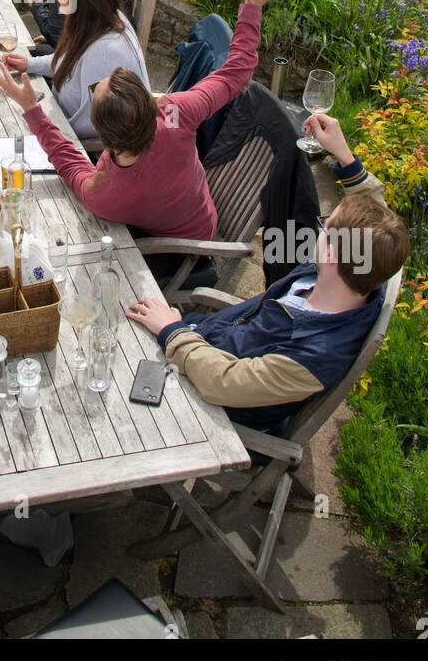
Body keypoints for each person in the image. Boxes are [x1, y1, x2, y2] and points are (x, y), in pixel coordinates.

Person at [126, 114, 410, 433]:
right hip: (203, 339)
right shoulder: (363, 270)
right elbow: (377, 218)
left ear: (331, 251)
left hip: (206, 404)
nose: (319, 229)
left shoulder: (313, 354)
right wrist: (343, 153)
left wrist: (172, 331)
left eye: (325, 225)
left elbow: (225, 382)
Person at [0, 0, 292, 238]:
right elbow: (235, 74)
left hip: (181, 246)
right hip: (185, 210)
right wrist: (251, 7)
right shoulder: (176, 112)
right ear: (148, 99)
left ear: (101, 132)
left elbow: (69, 164)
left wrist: (33, 110)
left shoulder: (107, 192)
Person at [2, 0, 149, 141]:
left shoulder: (104, 54)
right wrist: (29, 64)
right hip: (59, 117)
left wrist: (39, 125)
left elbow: (90, 124)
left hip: (80, 142)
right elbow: (70, 60)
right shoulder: (101, 20)